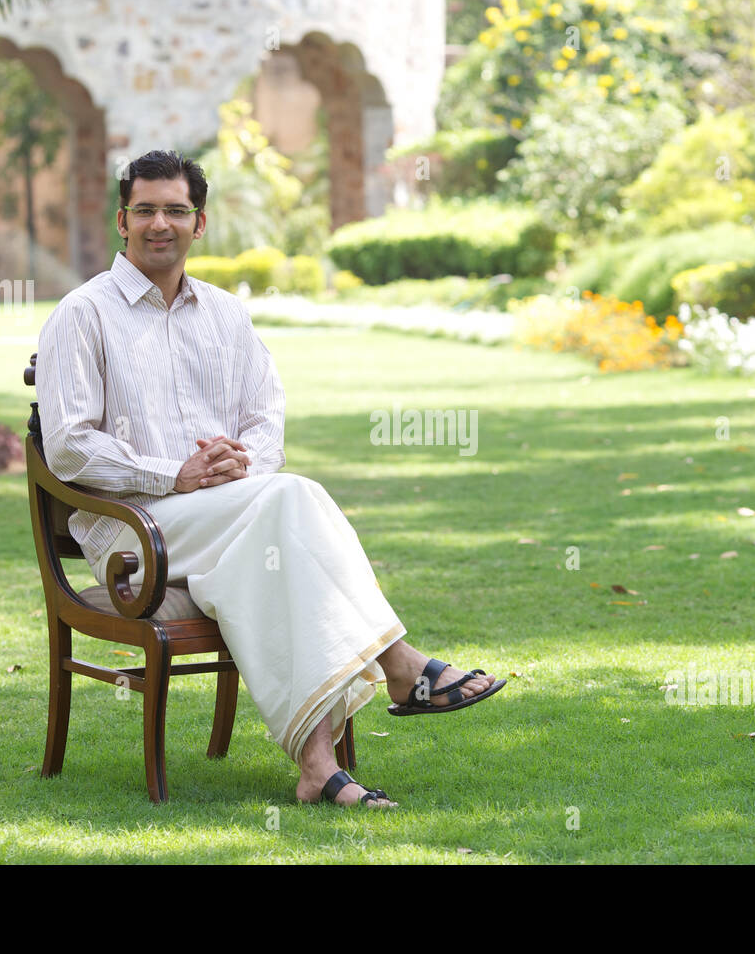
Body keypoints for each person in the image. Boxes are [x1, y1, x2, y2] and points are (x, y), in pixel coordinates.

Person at [35, 150, 504, 809]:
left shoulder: (227, 316)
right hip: (135, 534)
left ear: (200, 224)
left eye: (176, 210)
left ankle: (319, 768)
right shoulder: (82, 315)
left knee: (274, 534)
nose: (159, 223)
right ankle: (400, 664)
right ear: (122, 220)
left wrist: (240, 463)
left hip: (234, 520)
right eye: (145, 210)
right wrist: (177, 473)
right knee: (293, 497)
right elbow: (69, 446)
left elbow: (266, 419)